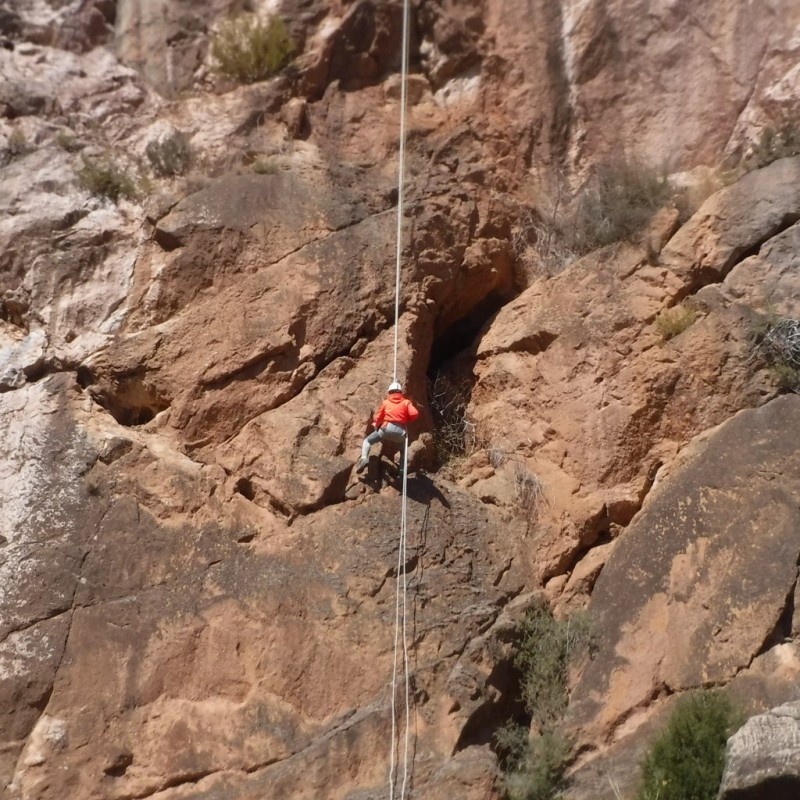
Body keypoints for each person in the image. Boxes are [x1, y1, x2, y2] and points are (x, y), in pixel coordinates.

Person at [356, 382, 419, 475]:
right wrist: (406, 419)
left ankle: (364, 458)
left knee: (367, 441)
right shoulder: (406, 402)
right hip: (400, 432)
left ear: (389, 392)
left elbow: (378, 417)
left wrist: (377, 426)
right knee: (403, 452)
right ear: (400, 392)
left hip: (386, 430)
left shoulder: (386, 402)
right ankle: (402, 471)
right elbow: (414, 413)